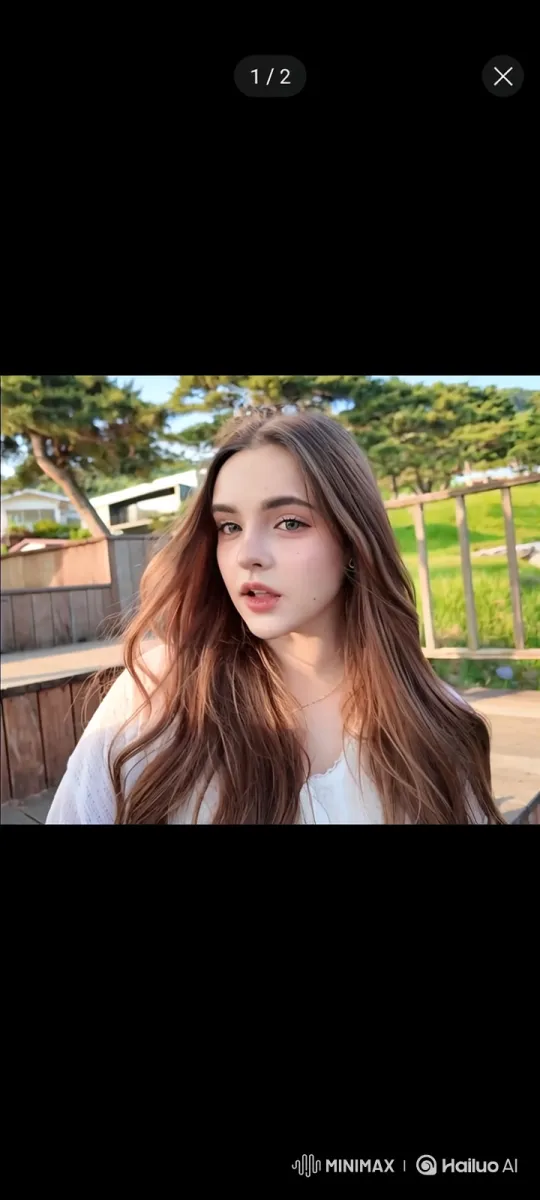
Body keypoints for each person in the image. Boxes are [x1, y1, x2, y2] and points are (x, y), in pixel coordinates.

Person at [47, 406, 504, 824]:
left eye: (289, 522)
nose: (249, 554)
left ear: (352, 538)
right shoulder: (161, 692)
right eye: (230, 526)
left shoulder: (435, 719)